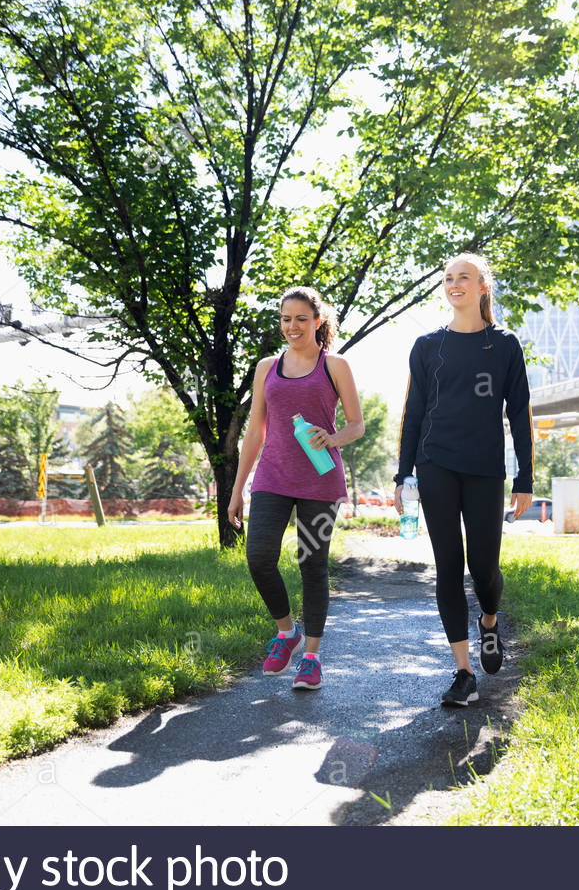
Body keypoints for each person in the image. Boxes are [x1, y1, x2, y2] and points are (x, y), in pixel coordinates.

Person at [394, 252, 534, 707]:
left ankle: (489, 623)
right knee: (448, 567)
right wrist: (403, 473)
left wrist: (524, 478)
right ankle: (463, 671)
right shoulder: (427, 346)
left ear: (482, 288)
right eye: (449, 278)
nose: (455, 284)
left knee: (484, 568)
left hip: (486, 469)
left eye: (464, 278)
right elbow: (413, 414)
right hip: (436, 465)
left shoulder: (505, 345)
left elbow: (519, 414)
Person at [228, 286, 364, 691]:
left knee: (312, 564)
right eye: (286, 319)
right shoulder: (267, 367)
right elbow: (256, 430)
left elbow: (357, 424)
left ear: (317, 321)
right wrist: (237, 490)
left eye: (301, 319)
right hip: (273, 475)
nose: (292, 326)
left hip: (320, 478)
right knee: (259, 556)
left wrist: (332, 438)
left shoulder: (334, 365)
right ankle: (287, 632)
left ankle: (312, 658)